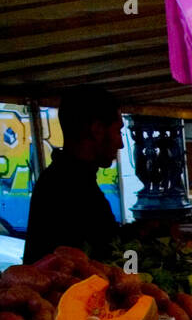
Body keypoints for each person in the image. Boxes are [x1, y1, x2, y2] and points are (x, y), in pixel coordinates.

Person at [23, 85, 122, 264]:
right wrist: (134, 269)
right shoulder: (68, 188)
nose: (121, 143)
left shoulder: (62, 179)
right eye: (118, 131)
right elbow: (107, 253)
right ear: (97, 130)